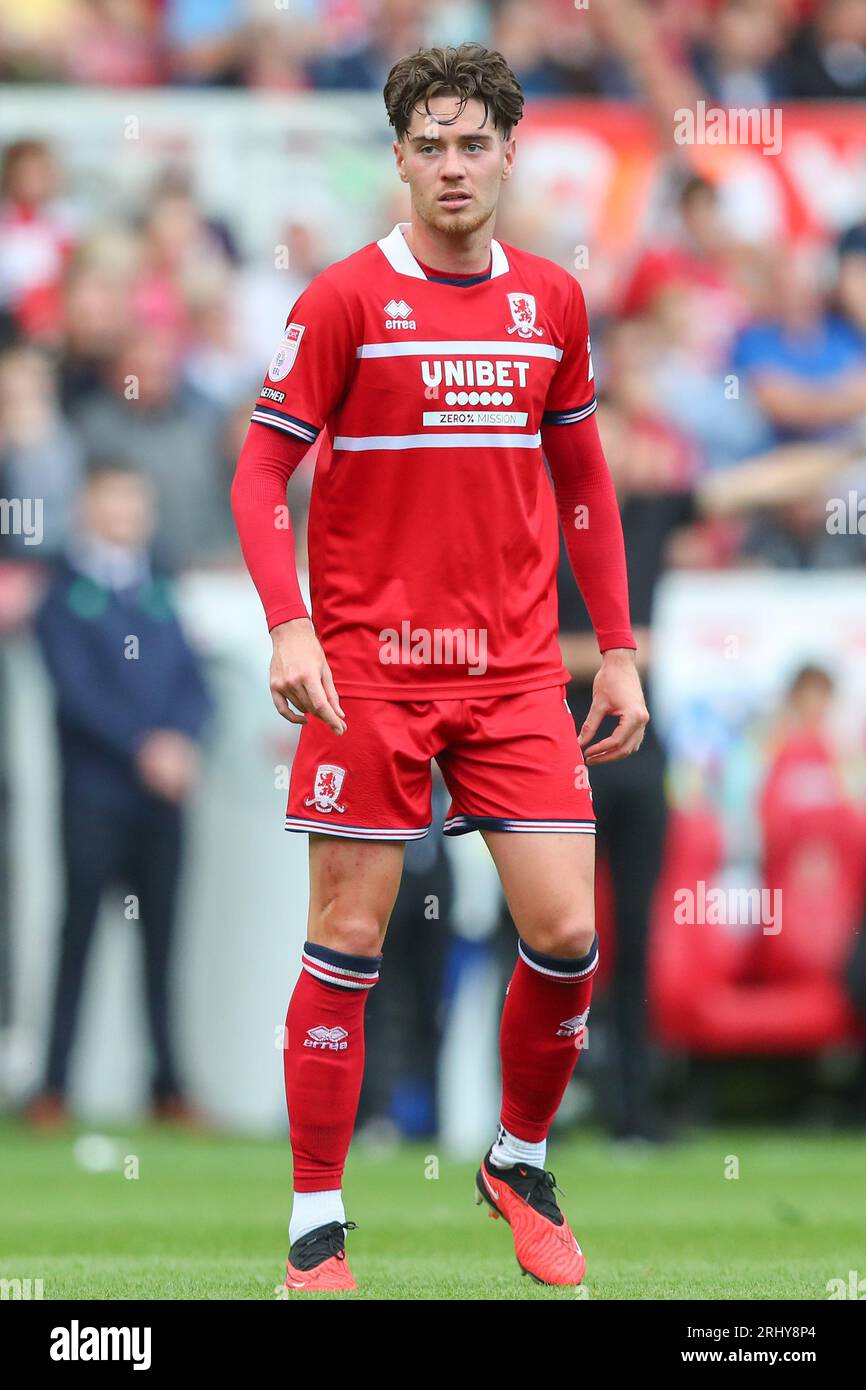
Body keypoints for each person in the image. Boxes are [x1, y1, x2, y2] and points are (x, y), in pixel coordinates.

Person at [231, 42, 648, 1292]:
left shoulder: (552, 305)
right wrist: (289, 623)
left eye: (475, 145)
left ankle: (515, 1159)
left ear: (508, 155)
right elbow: (259, 473)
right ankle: (316, 1222)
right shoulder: (344, 299)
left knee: (567, 928)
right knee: (346, 939)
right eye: (431, 145)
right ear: (400, 158)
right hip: (367, 666)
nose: (453, 166)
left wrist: (615, 648)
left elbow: (582, 484)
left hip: (515, 668)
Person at [26, 464, 212, 1129]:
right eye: (115, 501)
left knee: (162, 942)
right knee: (78, 935)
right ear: (87, 506)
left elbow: (194, 681)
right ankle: (53, 1088)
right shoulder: (62, 593)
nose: (128, 513)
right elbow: (77, 695)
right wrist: (145, 747)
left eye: (138, 501)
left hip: (162, 801)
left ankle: (167, 1086)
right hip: (95, 796)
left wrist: (184, 740)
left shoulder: (159, 588)